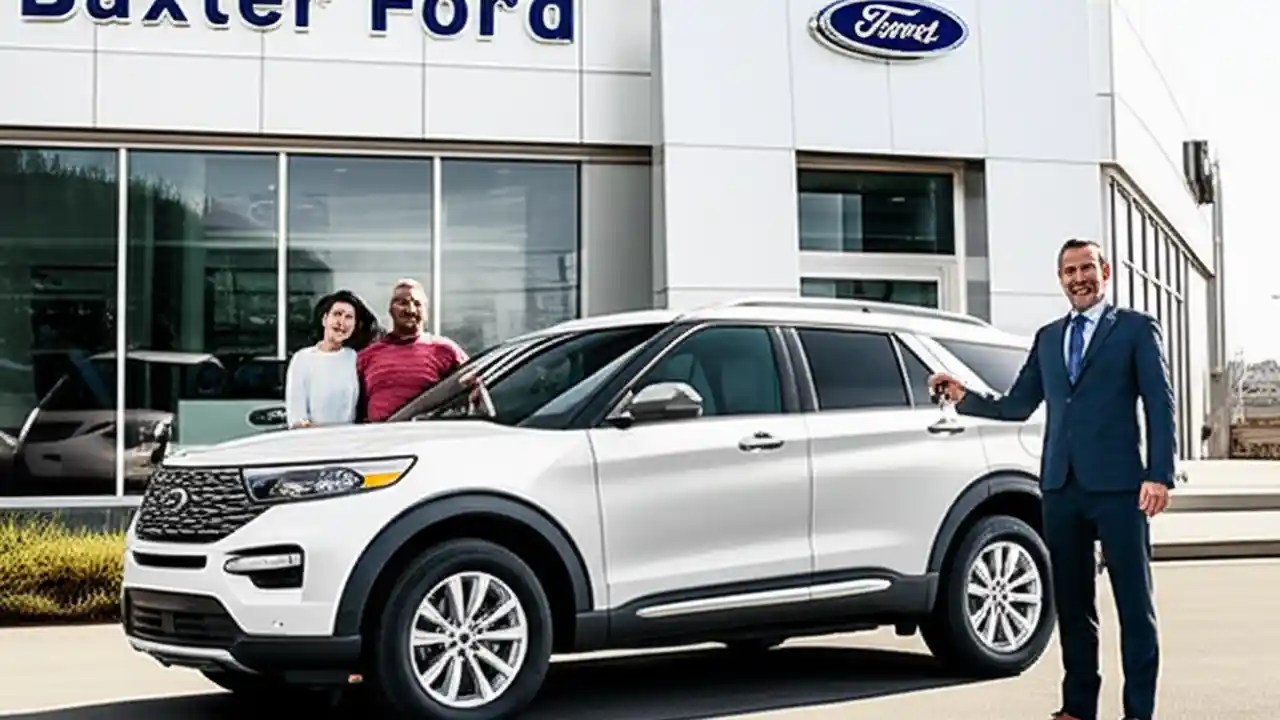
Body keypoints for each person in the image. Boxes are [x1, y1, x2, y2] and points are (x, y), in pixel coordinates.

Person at [928, 238, 1175, 720]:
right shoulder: (1048, 337)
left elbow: (1159, 403)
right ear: (1060, 279)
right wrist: (963, 396)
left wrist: (1159, 475)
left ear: (1105, 271)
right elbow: (1016, 405)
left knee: (1134, 608)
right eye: (1069, 271)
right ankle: (1078, 707)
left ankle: (1138, 712)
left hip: (1121, 488)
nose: (1079, 278)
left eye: (1087, 268)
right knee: (1074, 606)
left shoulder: (1135, 329)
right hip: (1061, 488)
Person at [356, 278, 471, 423]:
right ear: (391, 310)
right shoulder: (367, 355)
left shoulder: (446, 349)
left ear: (426, 312)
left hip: (428, 433)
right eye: (403, 303)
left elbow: (473, 389)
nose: (410, 310)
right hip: (382, 434)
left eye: (417, 304)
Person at [285, 289, 382, 428]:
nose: (341, 322)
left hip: (348, 437)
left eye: (349, 317)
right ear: (325, 319)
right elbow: (297, 417)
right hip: (311, 438)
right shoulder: (302, 359)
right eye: (337, 314)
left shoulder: (355, 358)